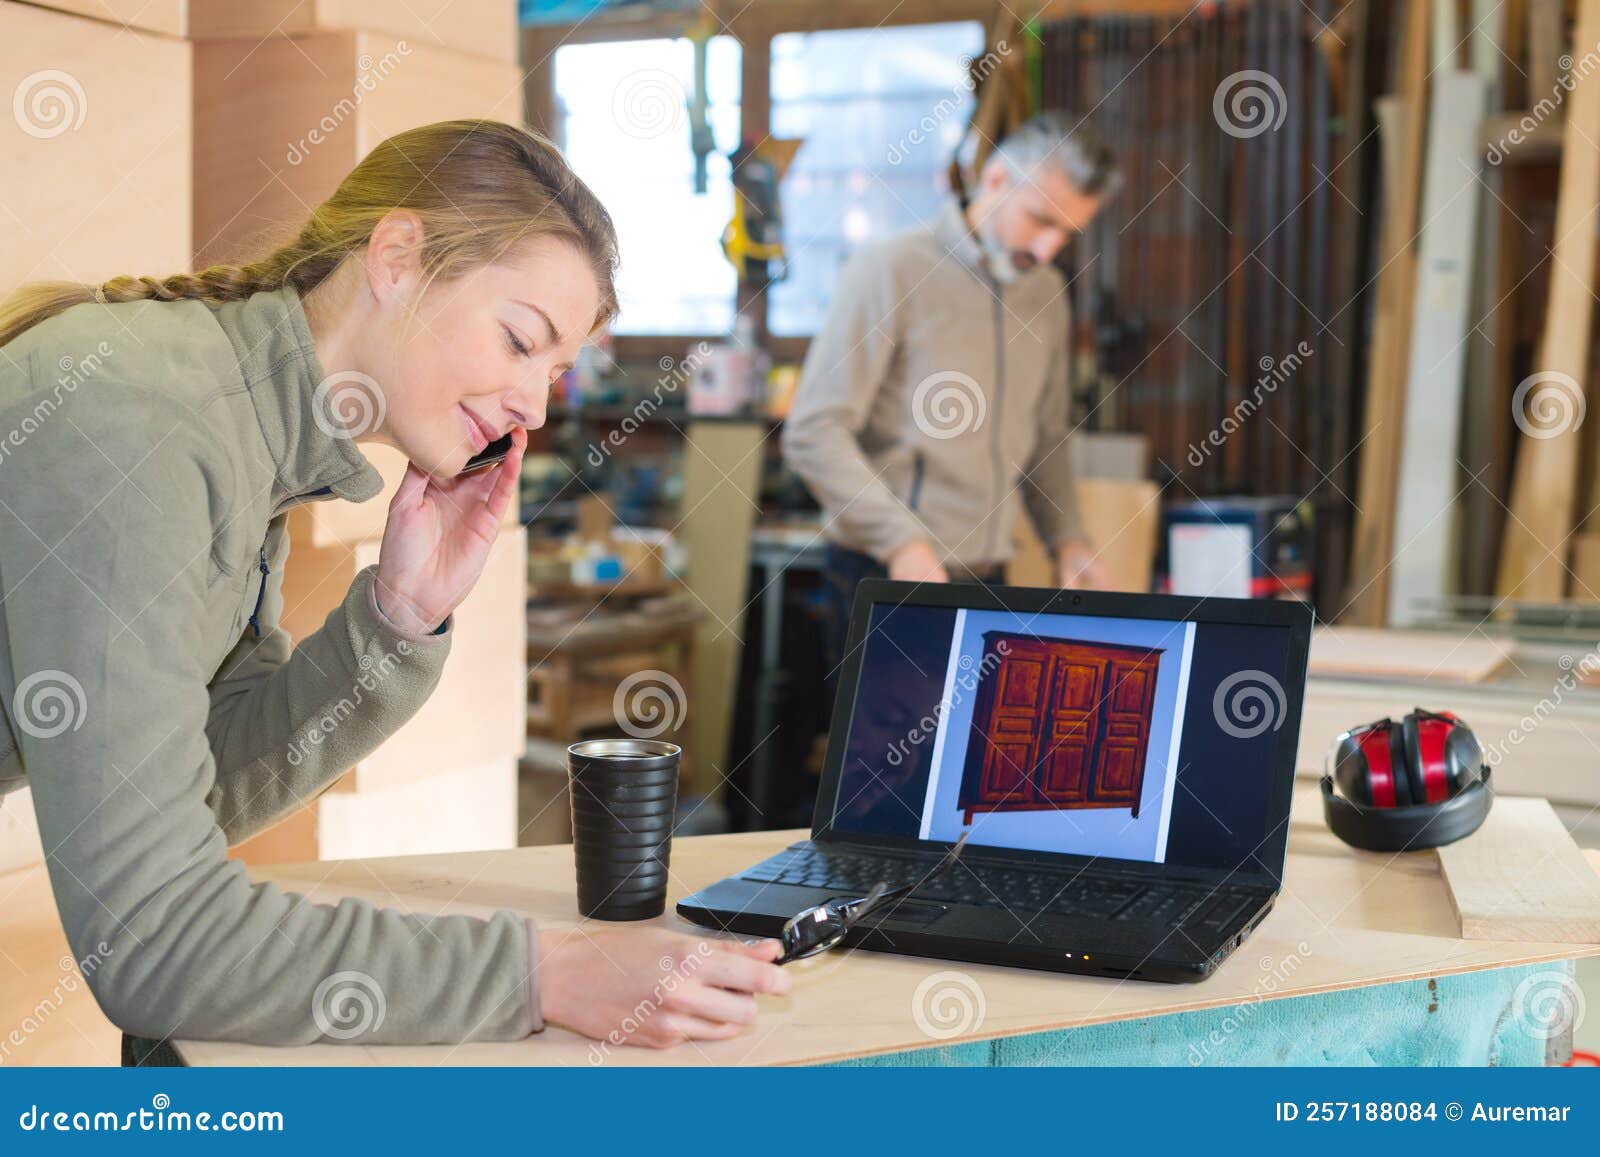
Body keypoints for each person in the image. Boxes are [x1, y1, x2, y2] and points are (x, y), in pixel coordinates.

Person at [0, 119, 789, 1058]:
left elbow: (190, 786)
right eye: (519, 339)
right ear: (397, 259)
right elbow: (155, 940)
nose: (534, 405)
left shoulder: (247, 428)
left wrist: (396, 620)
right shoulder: (150, 422)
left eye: (554, 372)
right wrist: (542, 973)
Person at [781, 112, 1120, 674]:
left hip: (988, 579)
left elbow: (1046, 436)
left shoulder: (1047, 294)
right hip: (888, 576)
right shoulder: (890, 269)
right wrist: (900, 542)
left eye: (1067, 232)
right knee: (889, 737)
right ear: (994, 180)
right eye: (1039, 219)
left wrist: (1069, 540)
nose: (1047, 248)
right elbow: (814, 430)